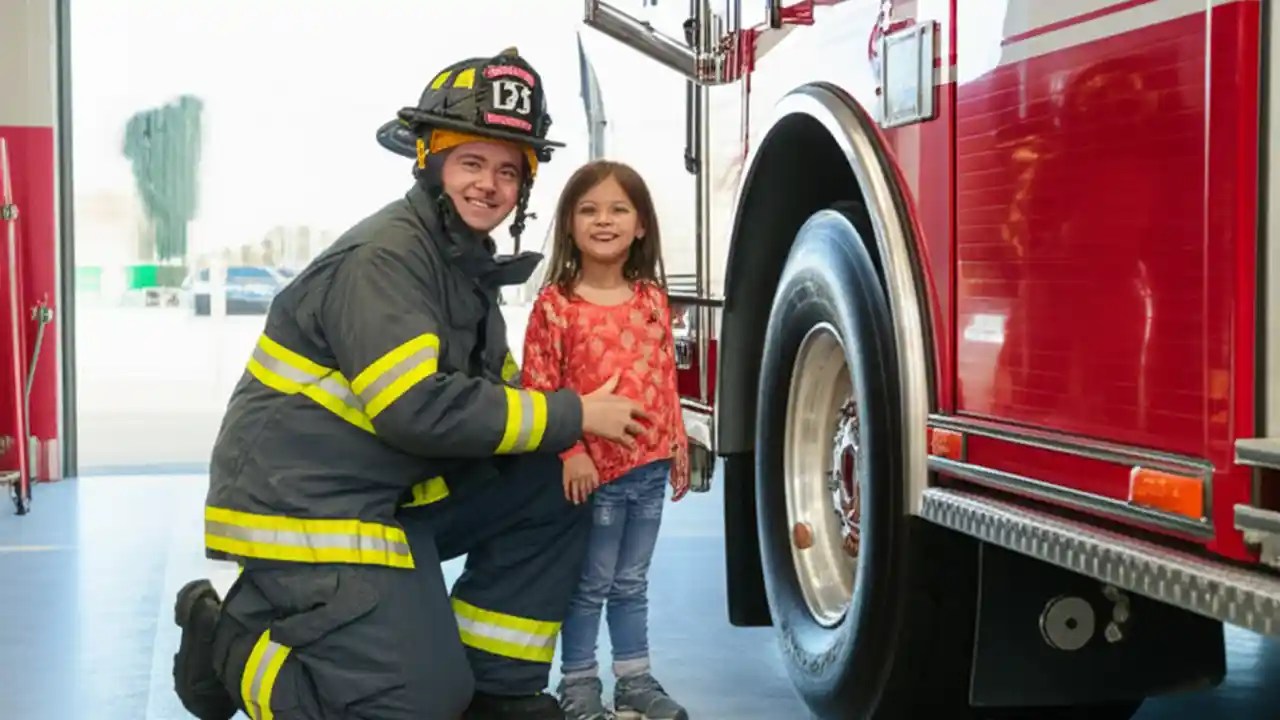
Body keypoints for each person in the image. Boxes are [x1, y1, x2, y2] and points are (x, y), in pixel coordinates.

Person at [170, 48, 651, 720]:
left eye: (508, 170)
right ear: (430, 161)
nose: (490, 184)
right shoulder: (388, 258)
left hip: (388, 489)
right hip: (304, 506)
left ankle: (498, 689)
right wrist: (573, 414)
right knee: (416, 707)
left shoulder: (463, 265)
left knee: (553, 480)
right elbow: (415, 410)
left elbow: (499, 395)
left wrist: (575, 428)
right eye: (472, 162)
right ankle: (231, 641)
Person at [520, 160, 691, 720]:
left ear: (640, 224)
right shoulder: (555, 305)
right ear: (569, 223)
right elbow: (539, 387)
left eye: (619, 209)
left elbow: (666, 377)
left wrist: (679, 444)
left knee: (632, 580)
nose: (604, 220)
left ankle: (634, 679)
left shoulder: (651, 300)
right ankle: (578, 683)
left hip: (648, 468)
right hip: (592, 477)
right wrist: (570, 453)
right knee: (589, 583)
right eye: (589, 209)